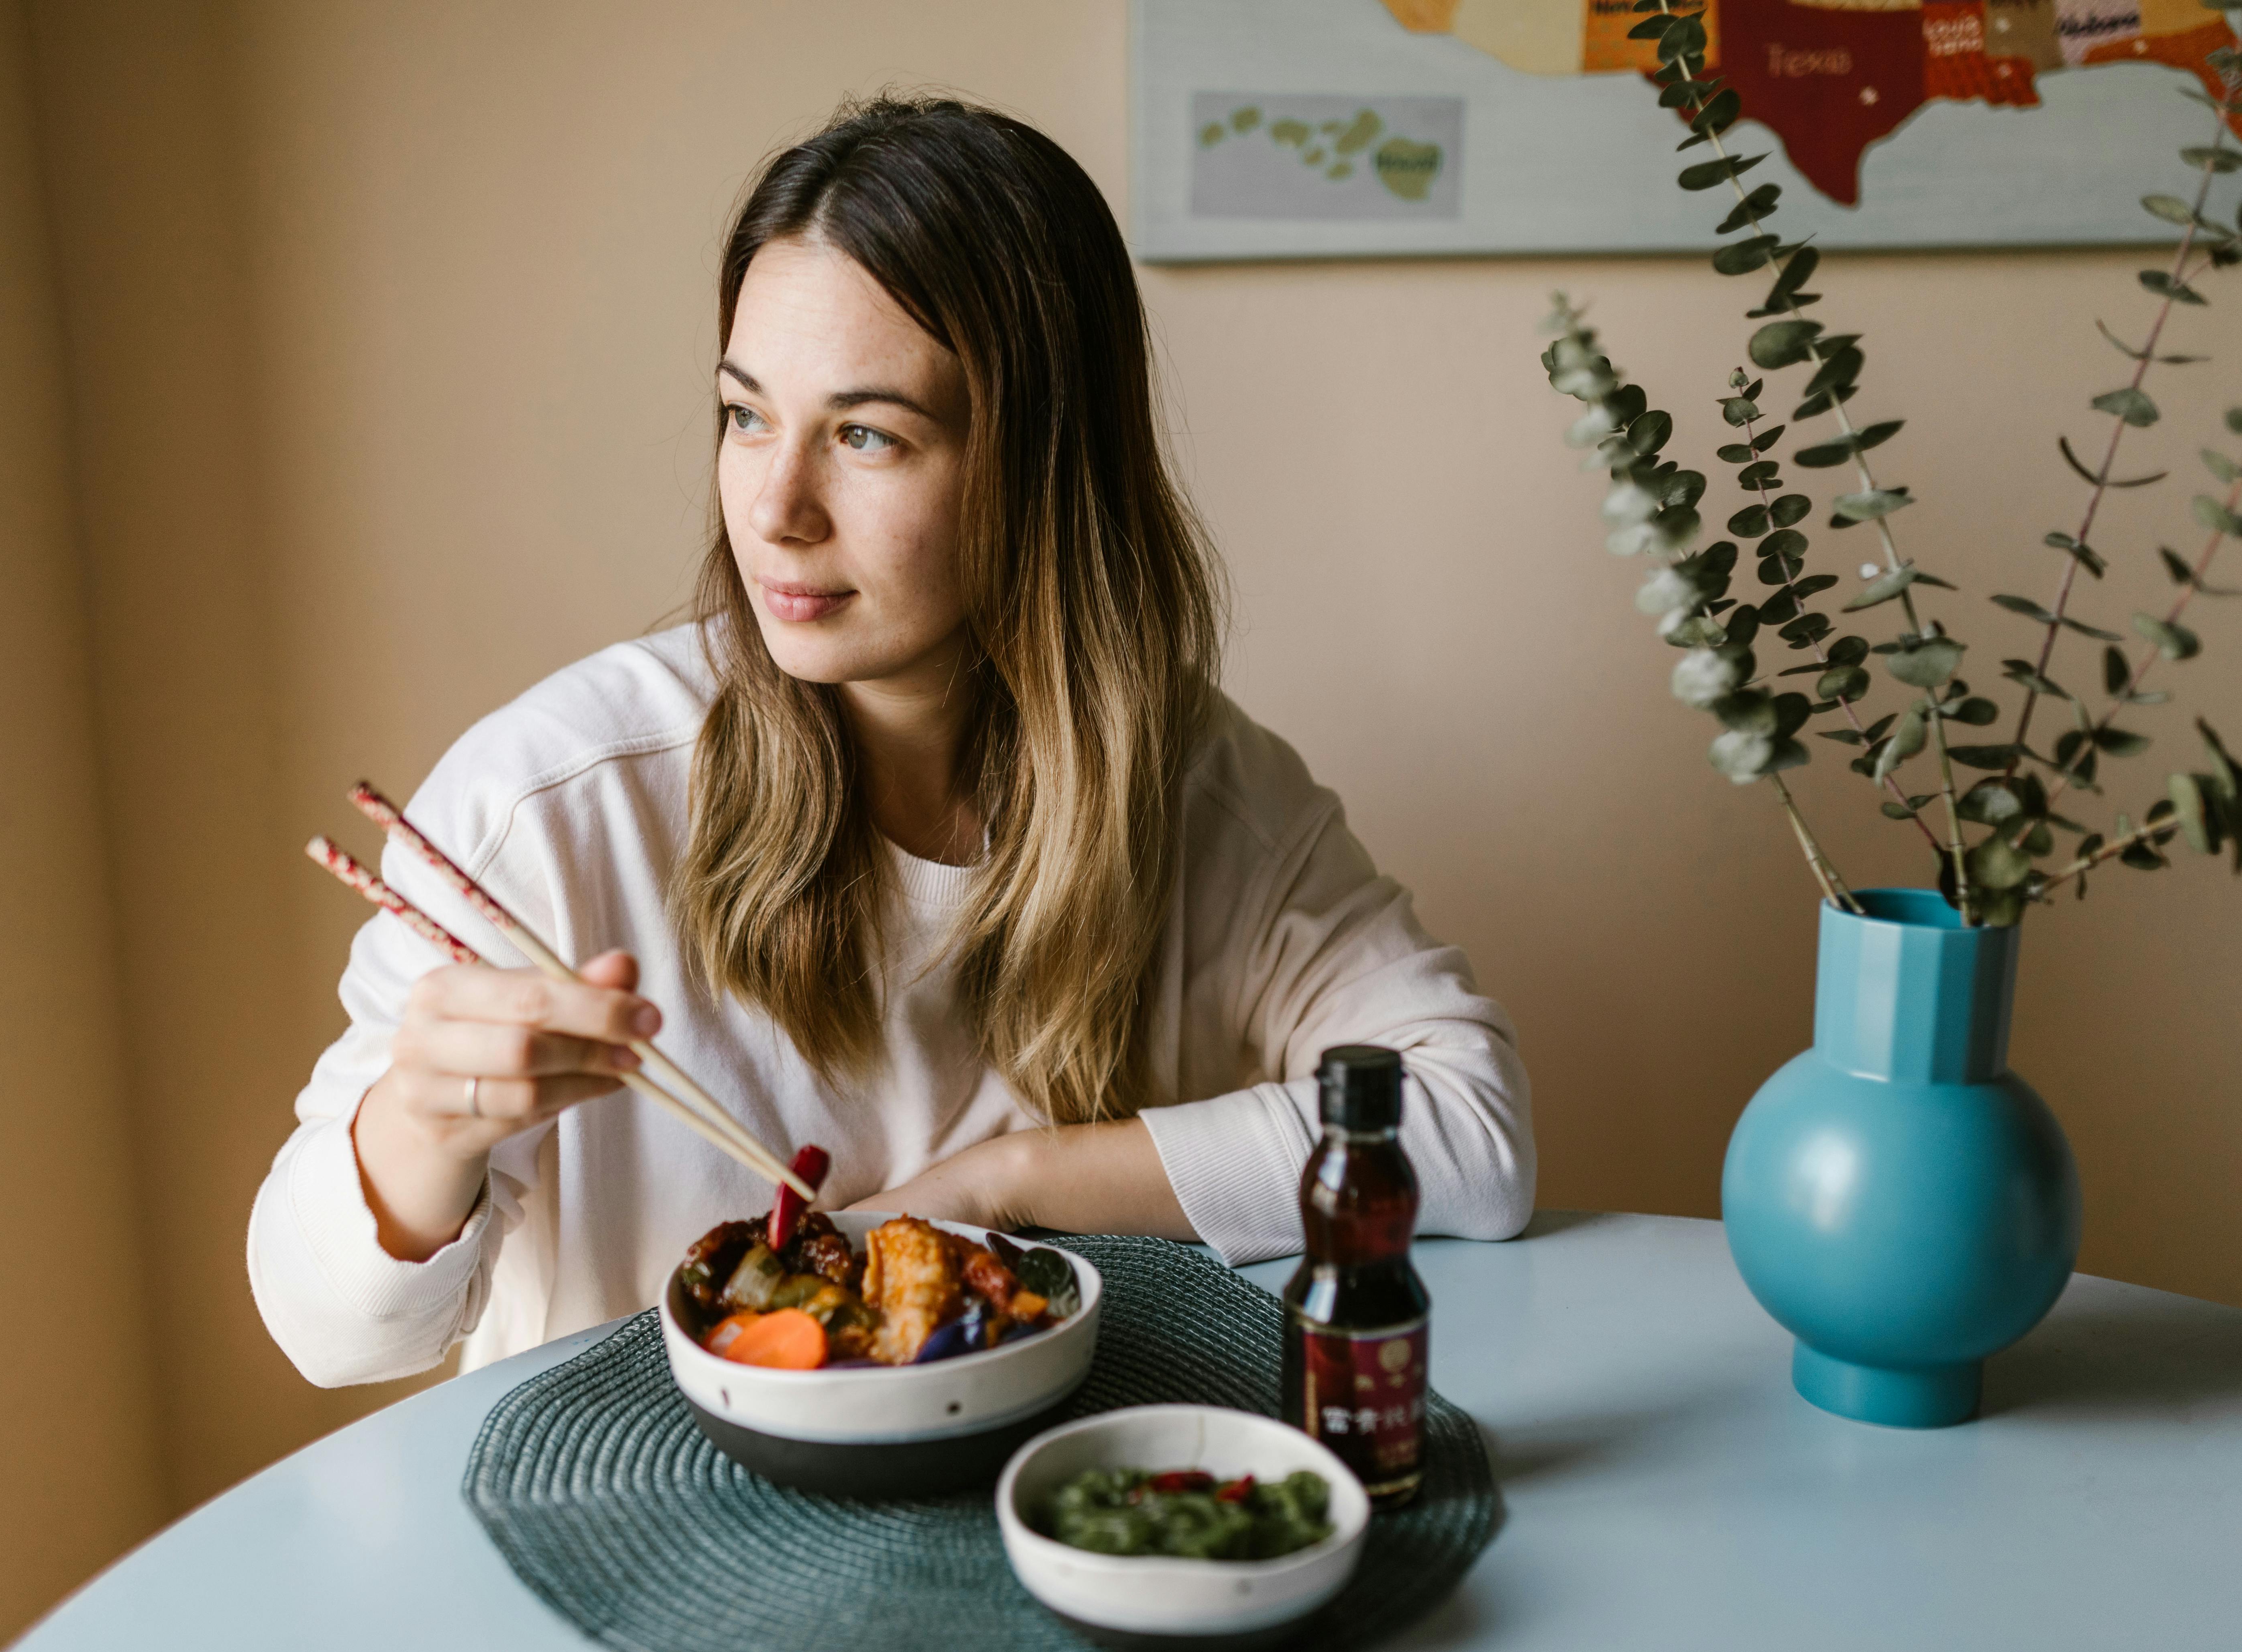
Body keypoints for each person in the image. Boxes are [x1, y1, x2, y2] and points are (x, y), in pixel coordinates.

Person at [247, 96, 1535, 1387]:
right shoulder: (553, 804)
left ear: (1041, 468)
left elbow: (1473, 1135)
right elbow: (330, 1339)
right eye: (745, 415)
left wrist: (1004, 1185)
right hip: (626, 1497)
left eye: (866, 435)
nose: (775, 508)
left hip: (1033, 1489)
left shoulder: (1195, 785)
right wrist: (422, 1126)